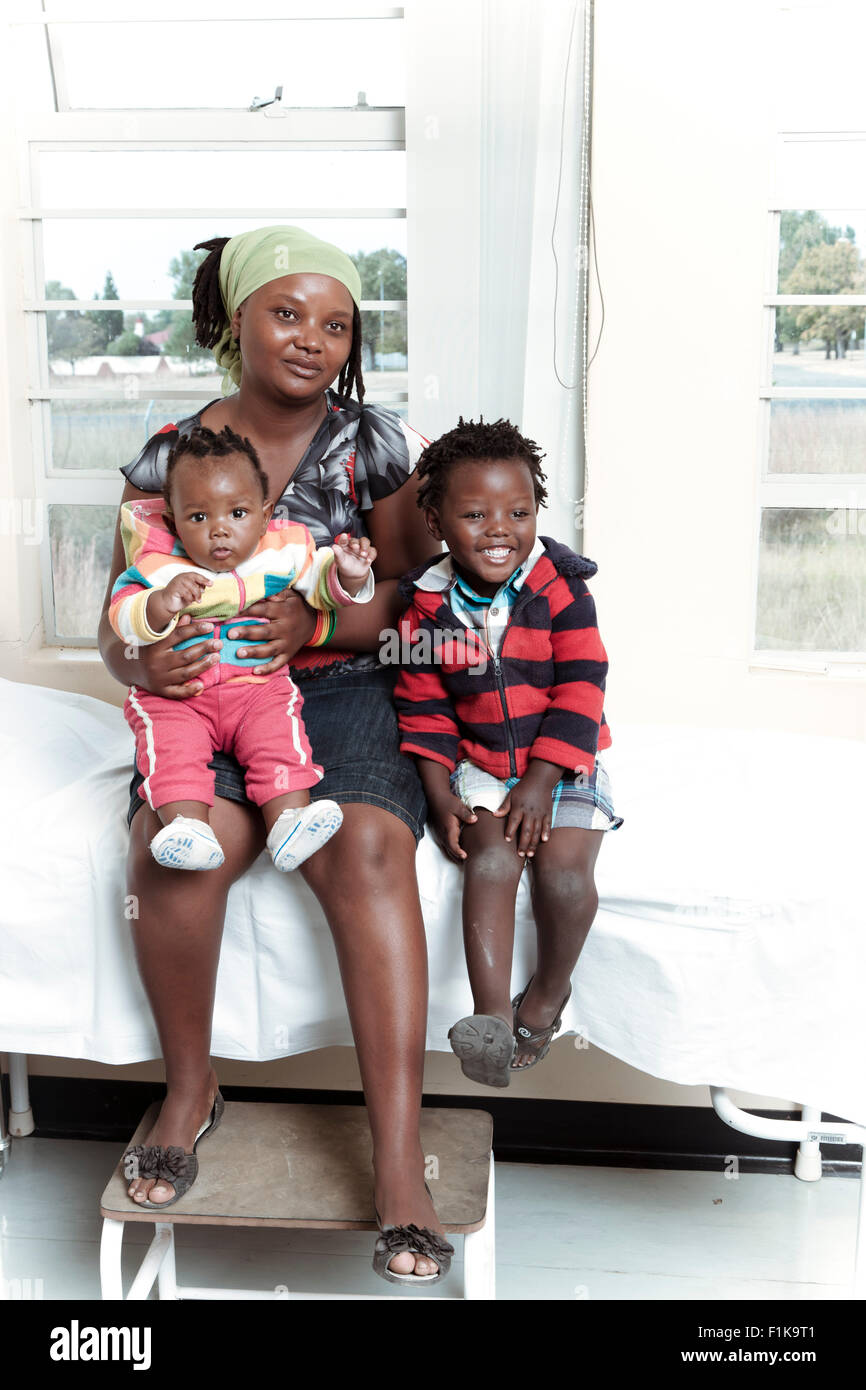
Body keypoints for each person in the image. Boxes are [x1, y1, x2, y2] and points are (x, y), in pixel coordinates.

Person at [98, 225, 454, 1284]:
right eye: (288, 313)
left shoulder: (374, 444)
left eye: (334, 324)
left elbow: (410, 597)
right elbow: (117, 617)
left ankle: (398, 1162)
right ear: (238, 320)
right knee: (178, 850)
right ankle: (188, 1090)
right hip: (201, 691)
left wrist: (315, 633)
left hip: (341, 693)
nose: (310, 339)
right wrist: (139, 667)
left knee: (366, 849)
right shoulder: (170, 454)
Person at [393, 418, 623, 1088]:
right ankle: (490, 1020)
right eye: (475, 514)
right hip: (484, 765)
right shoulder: (425, 610)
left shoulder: (559, 589)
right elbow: (424, 708)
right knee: (490, 860)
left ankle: (546, 1000)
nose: (500, 529)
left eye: (518, 512)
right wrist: (440, 794)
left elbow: (583, 683)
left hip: (564, 761)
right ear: (436, 520)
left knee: (565, 877)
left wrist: (543, 776)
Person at [110, 422, 376, 874]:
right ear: (174, 521)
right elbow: (123, 617)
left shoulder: (281, 553)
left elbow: (323, 586)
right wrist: (159, 604)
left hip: (256, 687)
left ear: (264, 513)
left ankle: (289, 819)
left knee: (280, 739)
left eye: (237, 514)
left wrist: (349, 573)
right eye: (199, 517)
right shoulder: (159, 567)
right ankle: (187, 828)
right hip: (181, 696)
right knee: (172, 752)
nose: (219, 531)